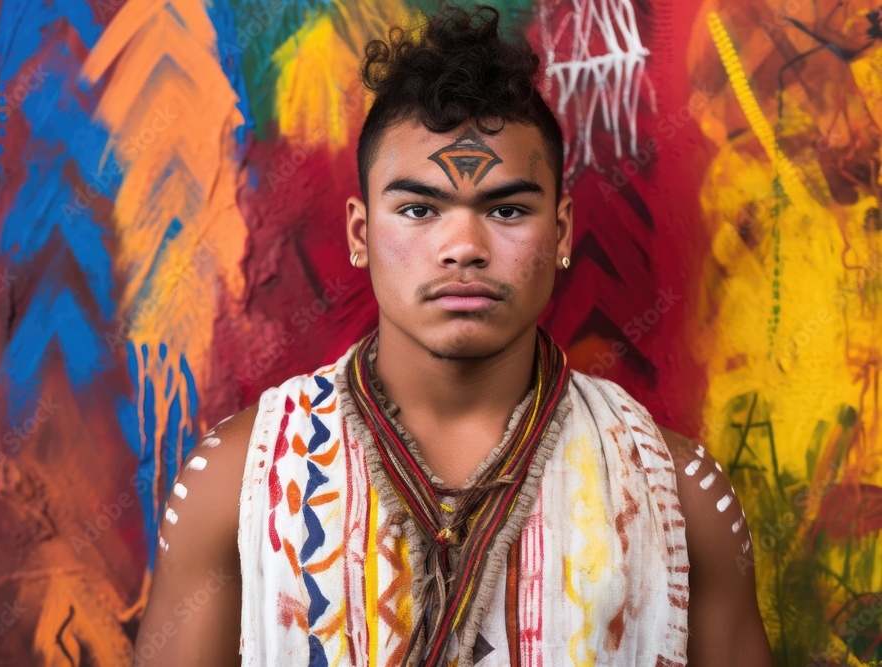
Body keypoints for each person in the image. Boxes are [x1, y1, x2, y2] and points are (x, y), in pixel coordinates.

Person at [134, 5, 774, 665]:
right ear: (360, 234)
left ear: (560, 233)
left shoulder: (678, 492)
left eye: (506, 209)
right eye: (418, 209)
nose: (463, 247)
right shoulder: (239, 481)